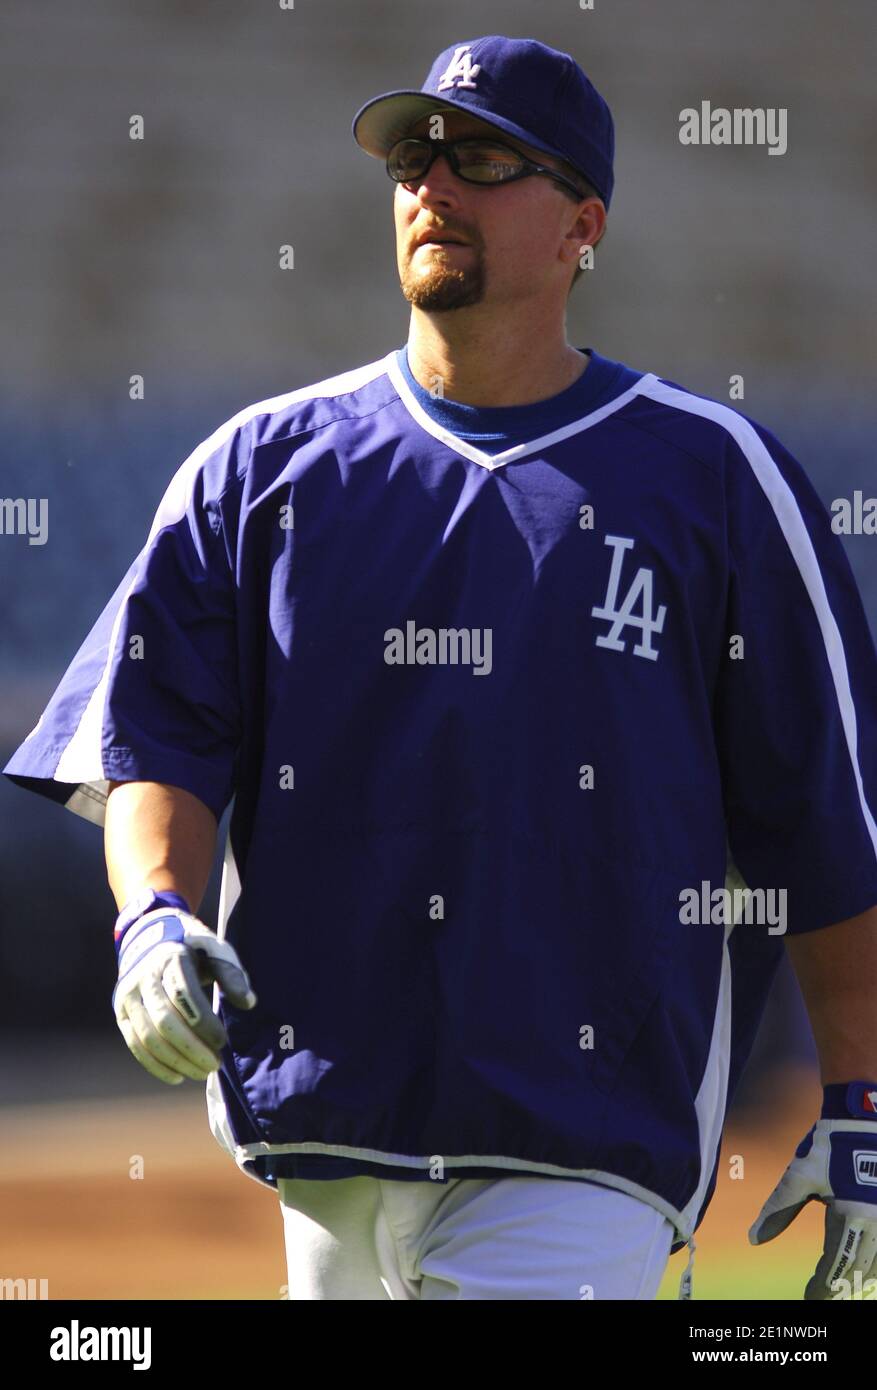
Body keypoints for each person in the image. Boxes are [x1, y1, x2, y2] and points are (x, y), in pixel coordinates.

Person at [5, 34, 877, 1302]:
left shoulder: (716, 478)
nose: (434, 184)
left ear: (583, 223)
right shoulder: (258, 468)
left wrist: (856, 1099)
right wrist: (153, 916)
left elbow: (826, 824)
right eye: (415, 156)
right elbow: (156, 735)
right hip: (324, 1138)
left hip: (580, 1150)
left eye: (482, 158)